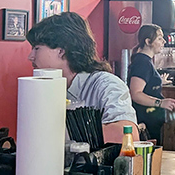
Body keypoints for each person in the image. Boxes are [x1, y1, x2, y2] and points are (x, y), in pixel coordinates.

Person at [26, 12, 138, 144]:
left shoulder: (105, 84)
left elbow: (126, 136)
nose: (30, 56)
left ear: (62, 51)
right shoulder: (44, 88)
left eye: (37, 48)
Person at [128, 24, 175, 143]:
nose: (164, 41)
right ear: (148, 41)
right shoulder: (142, 63)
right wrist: (160, 102)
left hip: (151, 121)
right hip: (146, 122)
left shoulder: (145, 61)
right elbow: (135, 93)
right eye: (160, 38)